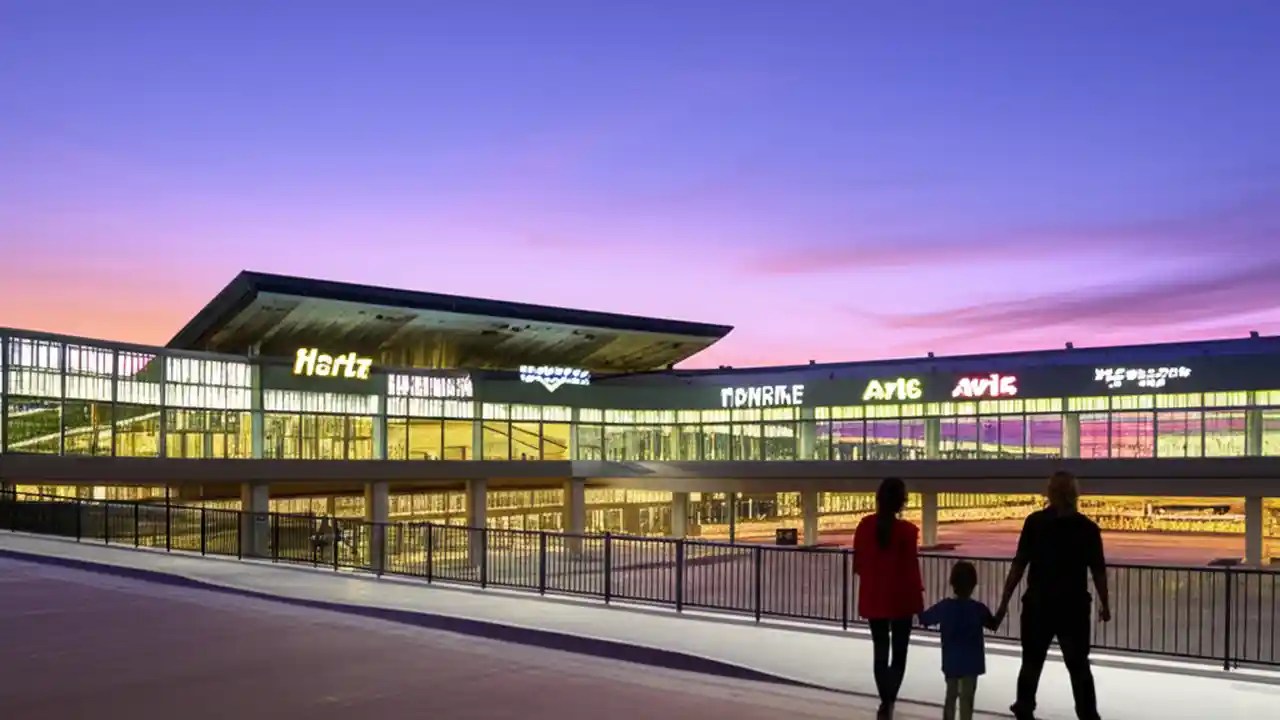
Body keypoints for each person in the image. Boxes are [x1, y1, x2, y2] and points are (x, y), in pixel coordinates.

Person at [996, 471, 1111, 720]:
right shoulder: (1088, 529)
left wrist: (1005, 600)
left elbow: (1019, 564)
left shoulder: (1035, 523)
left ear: (1050, 493)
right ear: (1074, 493)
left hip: (1038, 604)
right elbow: (1098, 571)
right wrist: (1105, 603)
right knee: (1078, 665)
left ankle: (1024, 706)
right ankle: (1087, 713)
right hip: (1074, 606)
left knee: (1031, 661)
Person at [853, 477, 924, 719]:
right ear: (901, 502)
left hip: (874, 598)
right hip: (902, 601)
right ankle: (890, 698)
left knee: (880, 652)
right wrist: (919, 606)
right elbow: (911, 571)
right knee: (899, 653)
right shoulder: (908, 531)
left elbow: (859, 565)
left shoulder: (864, 526)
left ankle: (885, 701)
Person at [918, 561, 1002, 720]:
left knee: (951, 696)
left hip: (951, 660)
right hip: (972, 662)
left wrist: (915, 599)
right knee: (967, 699)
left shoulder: (944, 607)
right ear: (974, 584)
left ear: (952, 583)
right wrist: (1003, 605)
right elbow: (993, 624)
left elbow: (925, 619)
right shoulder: (978, 609)